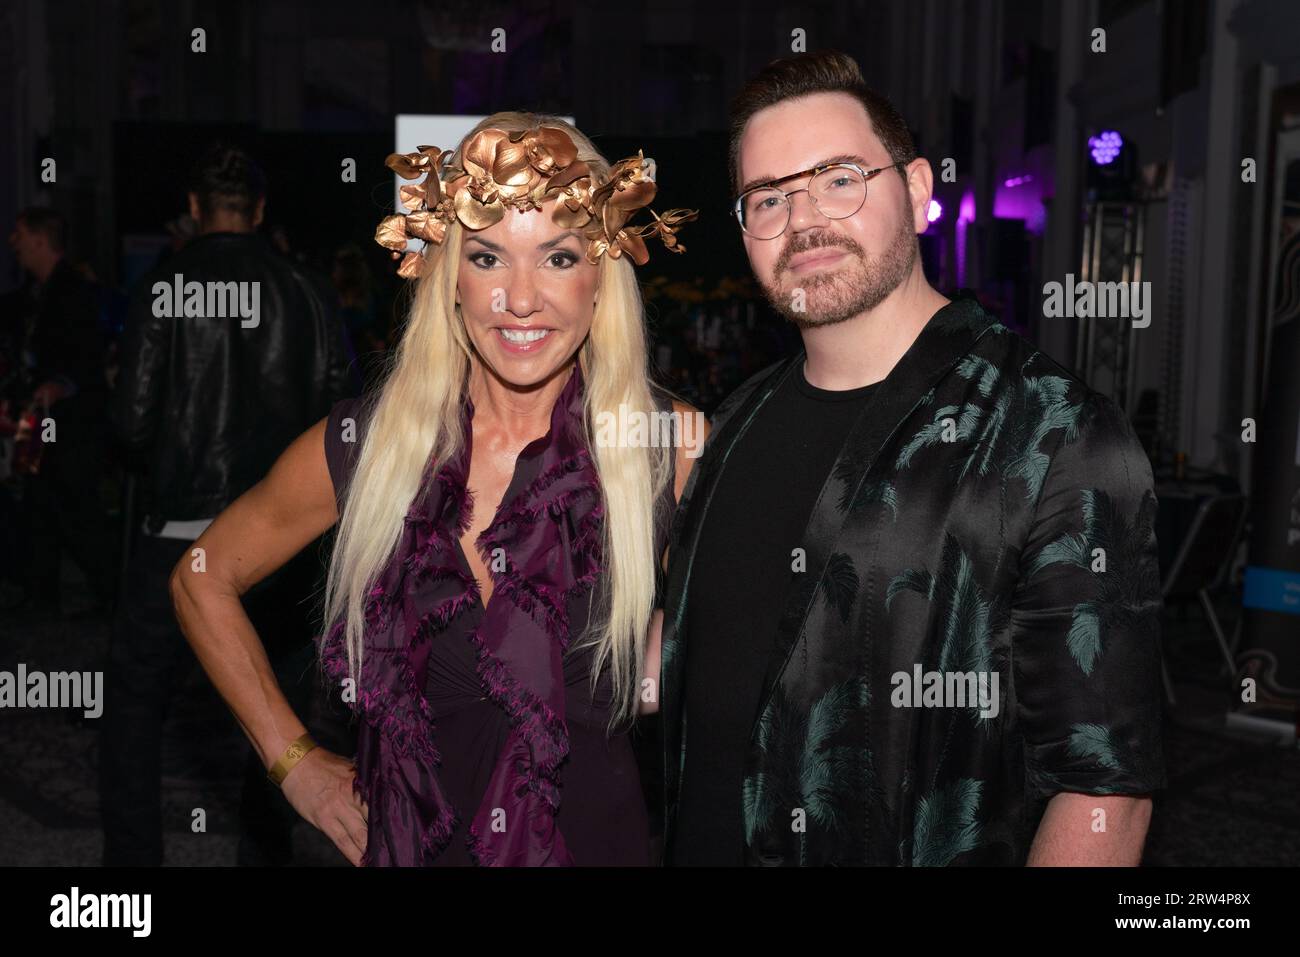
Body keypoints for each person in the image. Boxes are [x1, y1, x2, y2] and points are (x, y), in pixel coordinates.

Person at [658, 50, 1167, 866]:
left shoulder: (1056, 429)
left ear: (921, 190)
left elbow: (1106, 789)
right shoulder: (733, 423)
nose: (805, 219)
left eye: (838, 179)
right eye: (769, 197)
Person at [170, 113, 704, 866]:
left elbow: (755, 659)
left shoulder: (665, 448)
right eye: (488, 257)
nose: (520, 300)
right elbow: (202, 579)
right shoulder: (370, 445)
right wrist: (296, 766)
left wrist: (660, 662)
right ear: (449, 275)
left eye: (556, 255)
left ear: (602, 273)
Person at [101, 142, 359, 865]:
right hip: (283, 546)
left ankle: (130, 875)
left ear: (192, 208)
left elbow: (130, 420)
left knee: (131, 711)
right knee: (273, 709)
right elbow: (340, 411)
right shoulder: (306, 289)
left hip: (177, 535)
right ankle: (264, 858)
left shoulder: (163, 286)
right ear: (260, 208)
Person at [2, 207, 114, 615]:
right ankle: (41, 593)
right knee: (39, 499)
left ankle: (109, 592)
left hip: (71, 422)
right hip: (41, 418)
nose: (12, 243)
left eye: (19, 234)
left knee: (75, 504)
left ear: (38, 239)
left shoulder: (75, 292)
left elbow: (89, 358)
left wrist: (61, 384)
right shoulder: (30, 295)